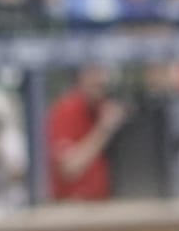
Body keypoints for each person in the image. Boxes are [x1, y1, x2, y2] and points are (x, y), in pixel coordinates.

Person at [47, 64, 127, 202]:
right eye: (94, 73)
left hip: (107, 205)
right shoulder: (66, 110)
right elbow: (69, 168)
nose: (101, 80)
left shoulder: (107, 107)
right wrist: (103, 129)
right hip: (74, 207)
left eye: (103, 73)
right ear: (80, 77)